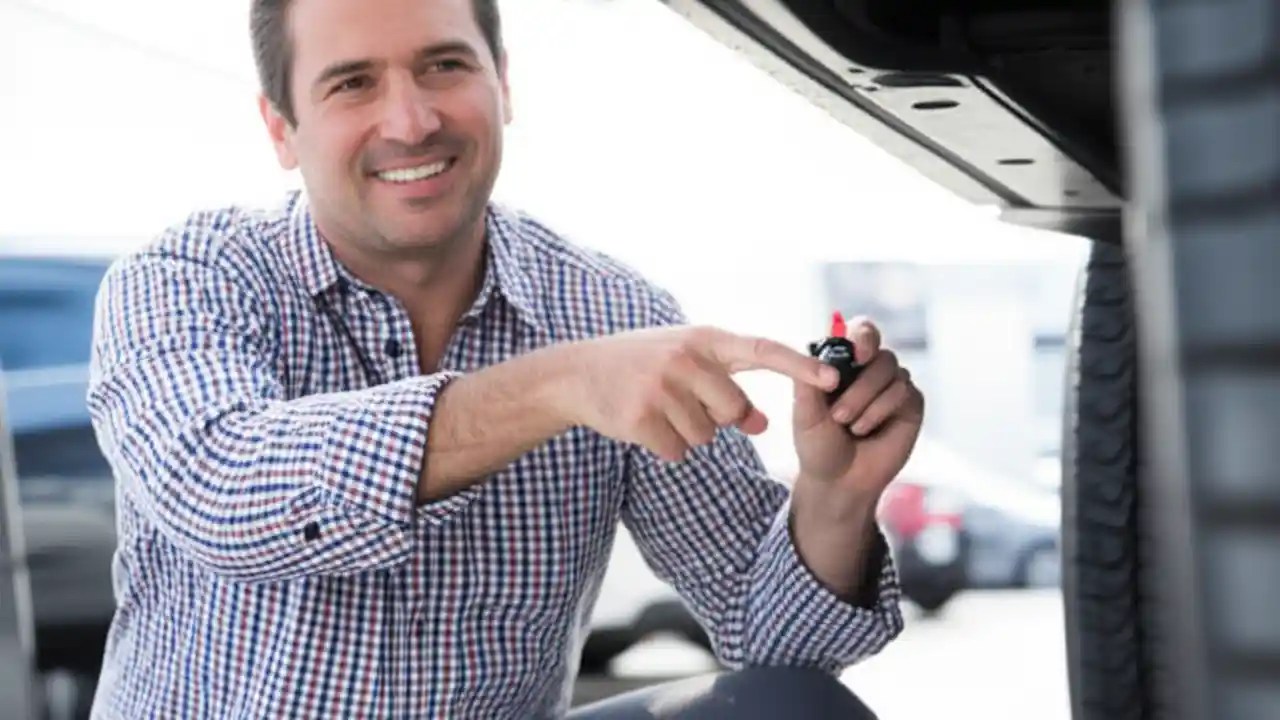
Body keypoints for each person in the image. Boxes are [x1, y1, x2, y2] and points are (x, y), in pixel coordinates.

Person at [85, 0, 925, 717]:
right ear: (281, 128)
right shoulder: (185, 280)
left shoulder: (613, 311)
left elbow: (777, 652)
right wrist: (560, 386)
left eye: (444, 66)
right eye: (352, 83)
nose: (411, 120)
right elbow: (226, 492)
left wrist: (834, 499)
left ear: (504, 85)